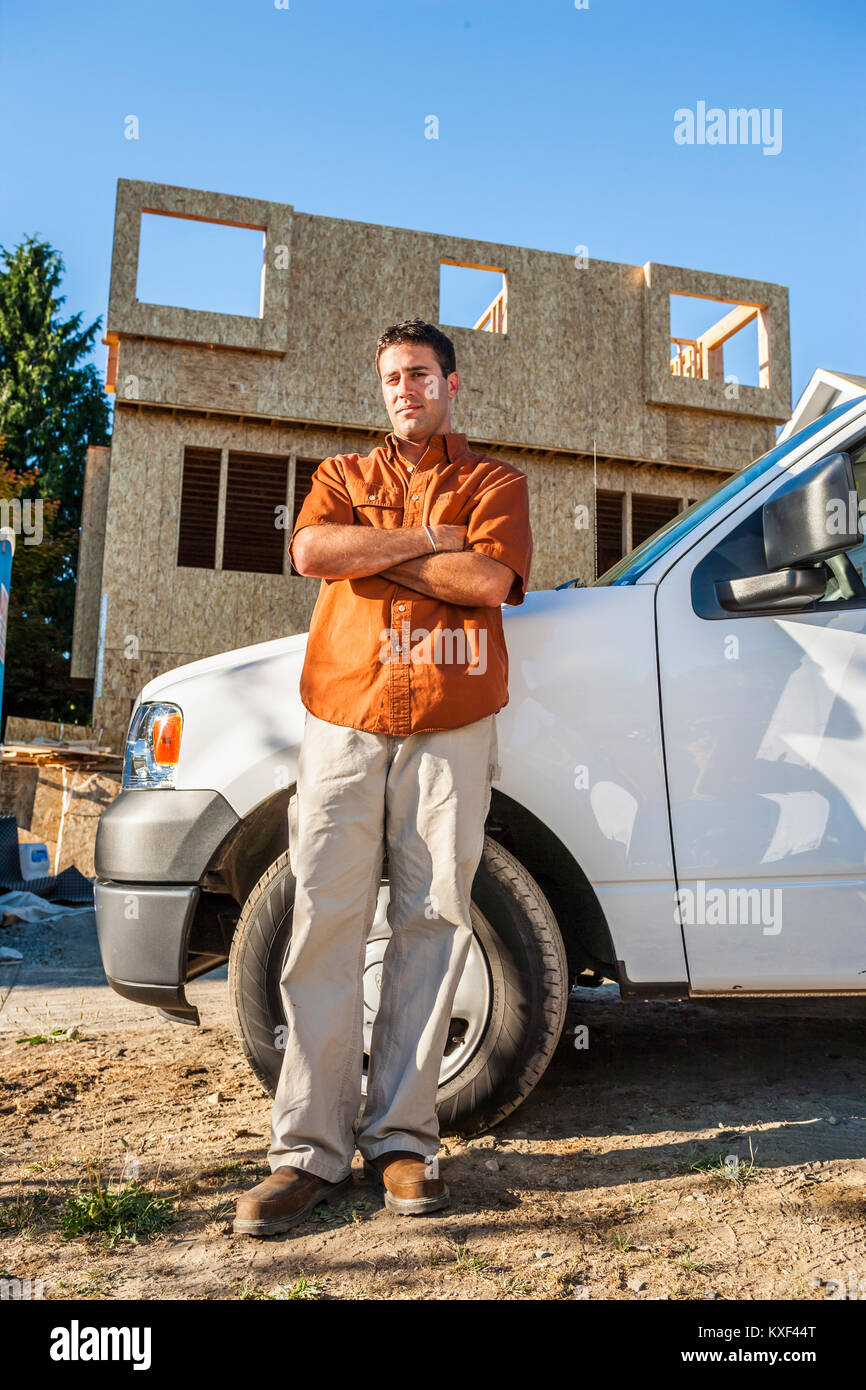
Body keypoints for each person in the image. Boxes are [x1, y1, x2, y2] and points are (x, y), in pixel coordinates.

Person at [233, 317, 533, 1237]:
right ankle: (305, 1152)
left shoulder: (497, 482)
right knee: (324, 919)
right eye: (393, 376)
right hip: (344, 720)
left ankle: (403, 1138)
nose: (405, 388)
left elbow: (487, 579)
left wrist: (384, 546)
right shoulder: (340, 478)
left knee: (434, 919)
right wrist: (423, 538)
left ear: (453, 384)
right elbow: (315, 552)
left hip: (452, 723)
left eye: (421, 374)